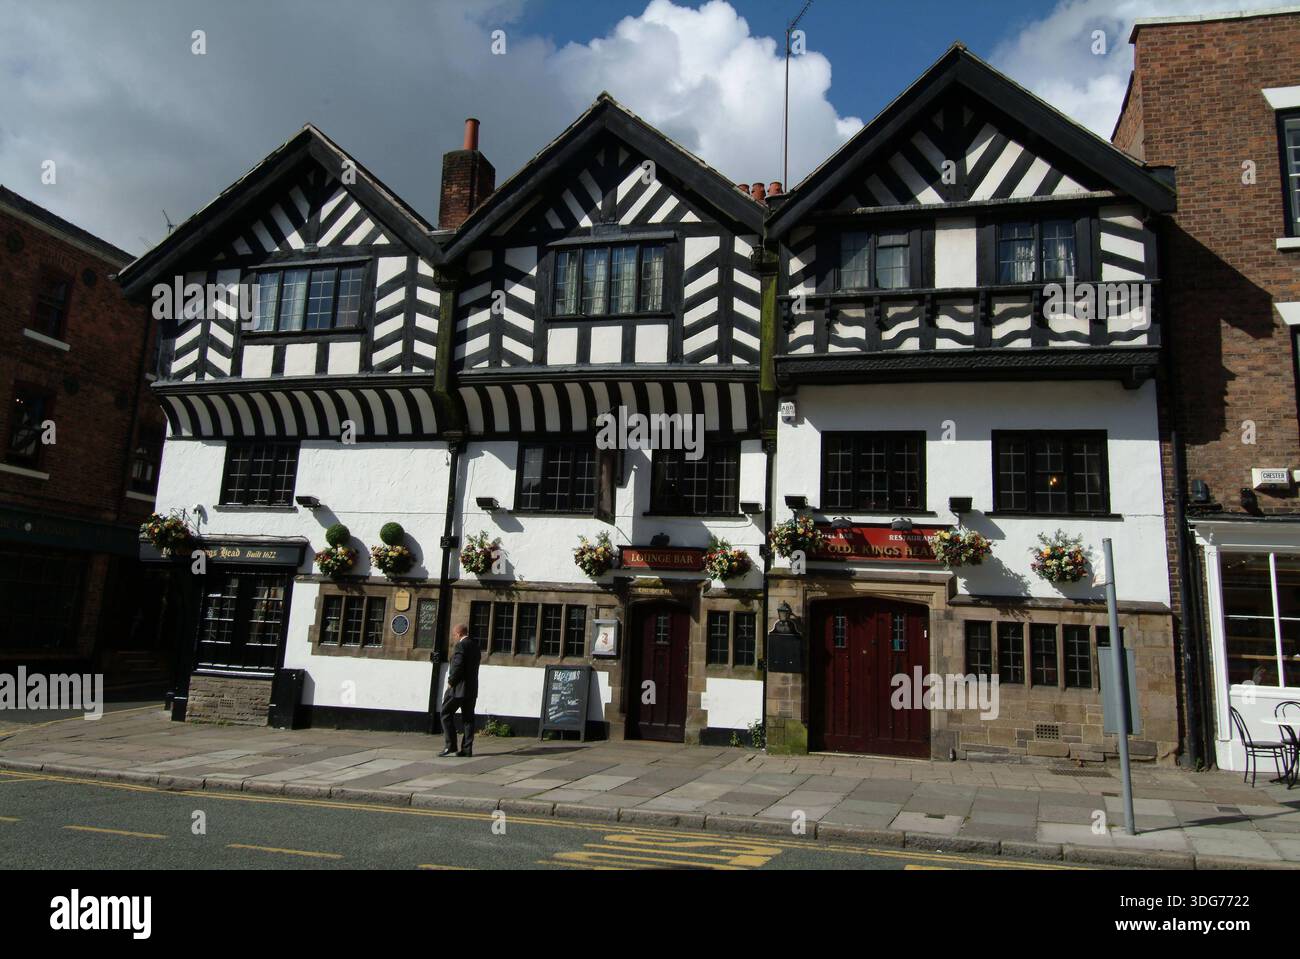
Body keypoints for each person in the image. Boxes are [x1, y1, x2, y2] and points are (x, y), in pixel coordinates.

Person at [439, 623, 480, 757]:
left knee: (445, 713)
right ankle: (467, 749)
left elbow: (458, 665)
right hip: (472, 689)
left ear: (459, 634)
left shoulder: (461, 646)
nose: (454, 637)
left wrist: (451, 681)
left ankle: (450, 746)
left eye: (454, 635)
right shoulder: (475, 646)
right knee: (468, 719)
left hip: (458, 689)